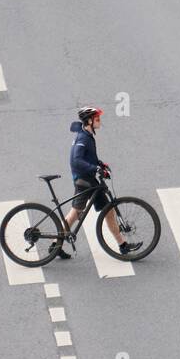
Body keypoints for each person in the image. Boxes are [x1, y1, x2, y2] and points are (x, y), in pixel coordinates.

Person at [62, 106, 141, 257]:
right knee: (76, 213)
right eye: (97, 119)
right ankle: (55, 244)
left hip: (89, 180)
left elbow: (87, 157)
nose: (99, 121)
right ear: (89, 121)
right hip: (84, 181)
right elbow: (77, 160)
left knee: (107, 210)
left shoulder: (87, 135)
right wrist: (95, 169)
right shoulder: (83, 138)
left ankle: (123, 245)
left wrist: (99, 164)